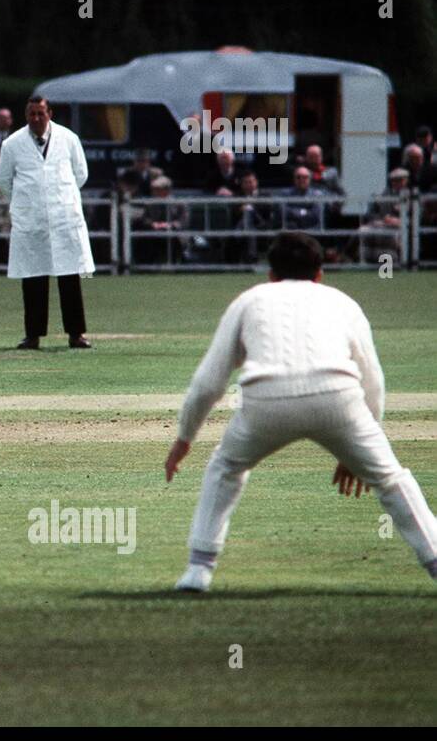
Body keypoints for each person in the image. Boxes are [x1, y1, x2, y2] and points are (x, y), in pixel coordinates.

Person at [165, 232, 437, 592]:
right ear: (320, 273)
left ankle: (198, 570)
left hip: (265, 401)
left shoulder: (249, 300)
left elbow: (209, 382)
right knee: (390, 479)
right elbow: (372, 381)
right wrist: (360, 444)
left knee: (225, 467)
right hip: (338, 398)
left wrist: (184, 440)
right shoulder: (342, 302)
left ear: (271, 274)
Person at [0, 96, 94, 349]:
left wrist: (58, 196)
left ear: (49, 113)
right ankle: (33, 335)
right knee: (33, 278)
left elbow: (80, 174)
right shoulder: (12, 144)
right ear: (26, 115)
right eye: (31, 114)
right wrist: (29, 201)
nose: (36, 119)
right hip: (32, 221)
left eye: (40, 113)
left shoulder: (68, 139)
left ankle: (76, 334)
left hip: (63, 218)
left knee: (69, 277)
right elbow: (4, 183)